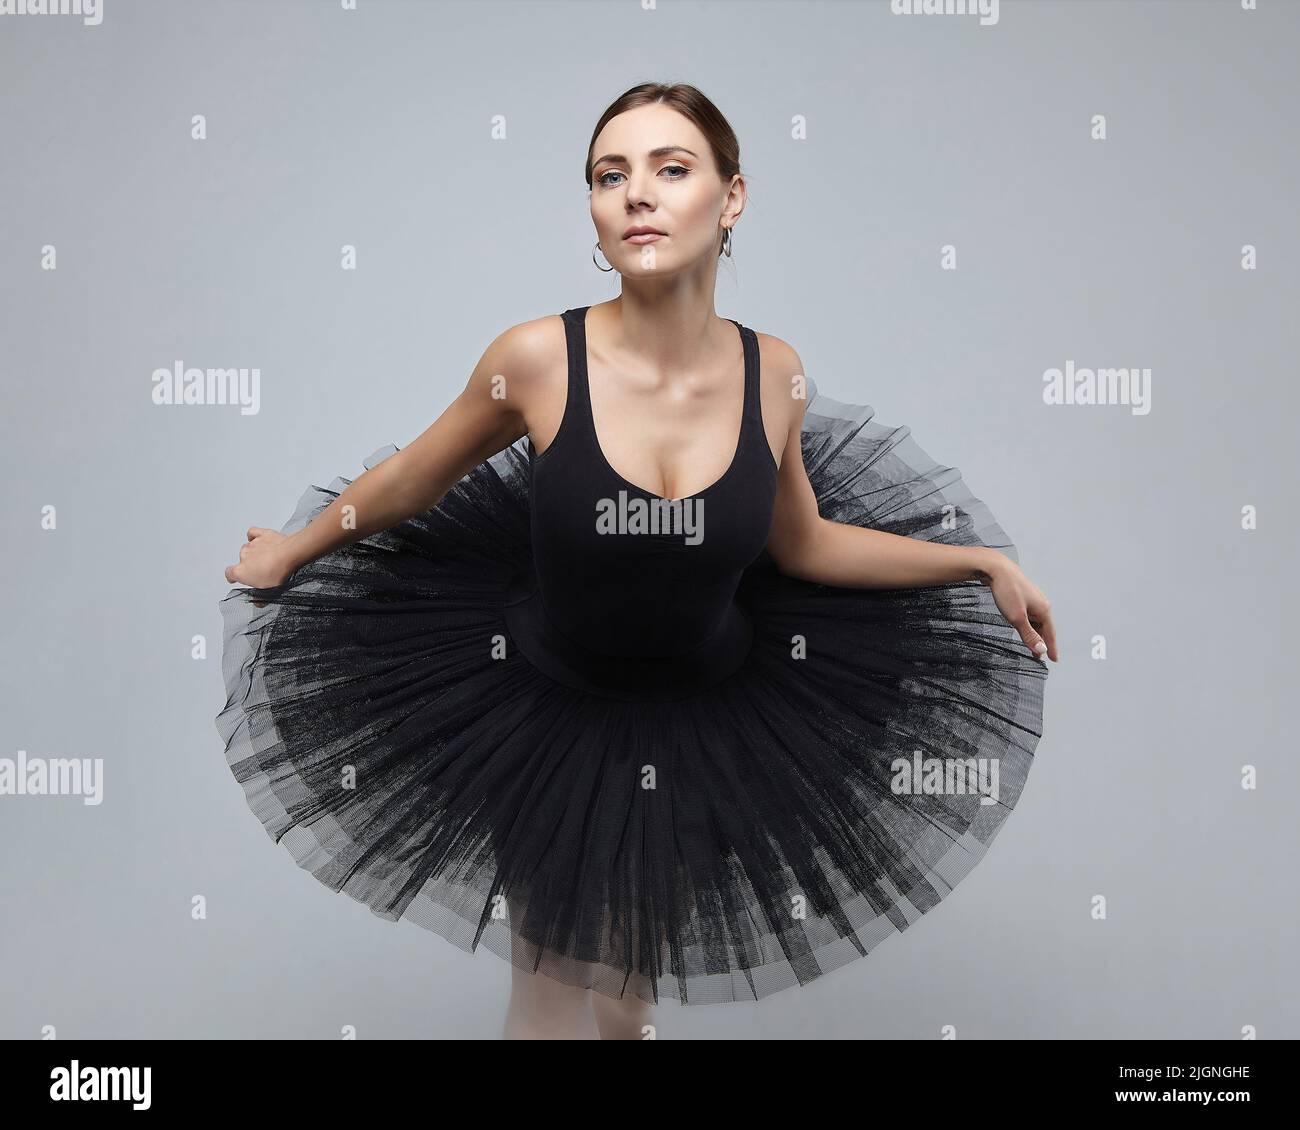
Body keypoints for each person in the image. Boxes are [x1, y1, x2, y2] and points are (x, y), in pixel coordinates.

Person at [216, 82, 1054, 1040]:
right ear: (593, 207)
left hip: (704, 709)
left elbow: (805, 543)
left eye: (671, 168)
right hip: (545, 701)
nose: (636, 195)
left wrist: (977, 561)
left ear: (731, 197)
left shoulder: (774, 371)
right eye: (611, 176)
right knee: (549, 992)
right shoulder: (535, 359)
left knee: (626, 1004)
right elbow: (412, 478)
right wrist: (294, 549)